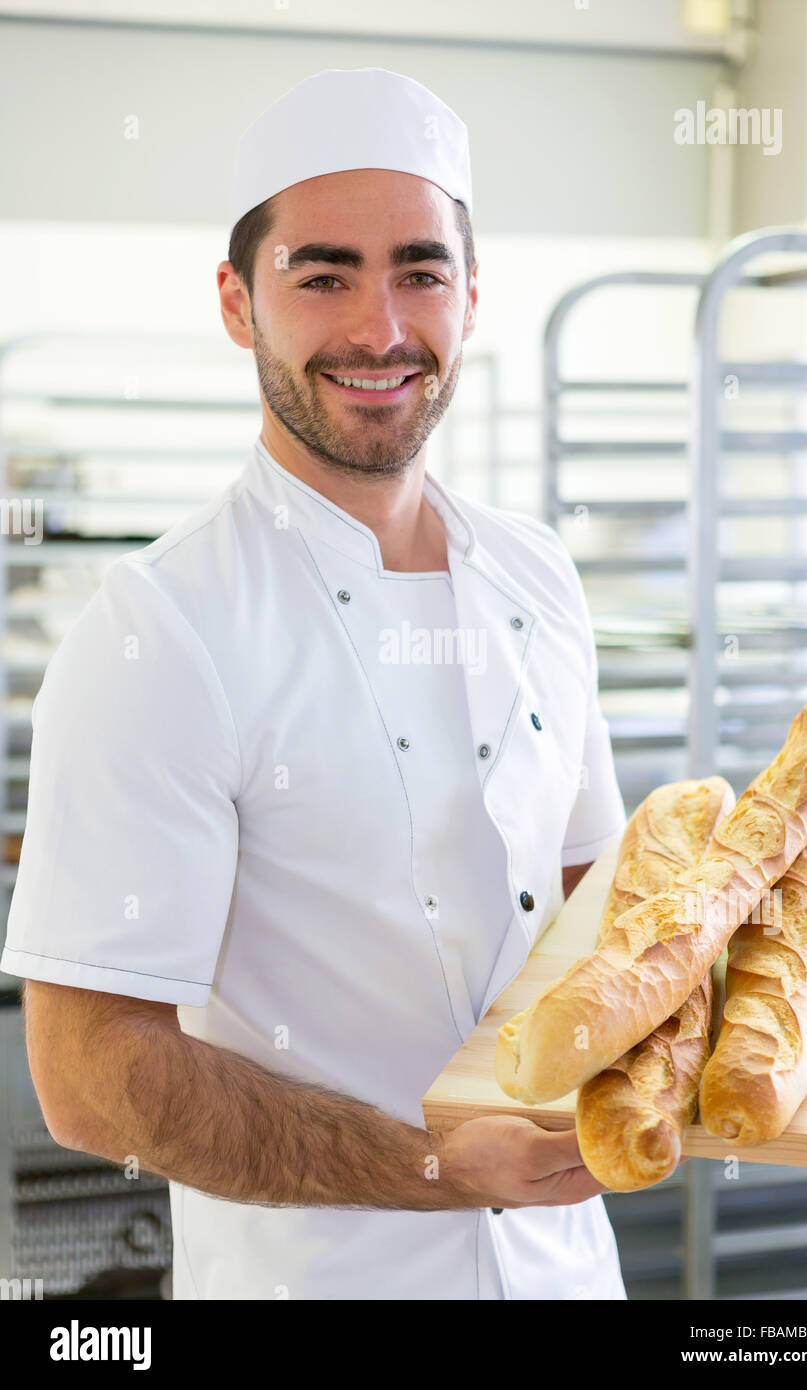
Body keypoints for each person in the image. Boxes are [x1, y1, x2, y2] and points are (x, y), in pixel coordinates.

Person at [2, 67, 629, 1300]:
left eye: (419, 270)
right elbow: (88, 1078)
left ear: (469, 293)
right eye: (323, 273)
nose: (381, 329)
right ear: (239, 303)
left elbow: (592, 910)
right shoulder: (162, 630)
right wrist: (443, 1165)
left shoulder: (537, 576)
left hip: (567, 1272)